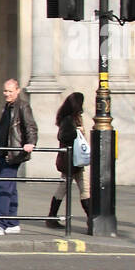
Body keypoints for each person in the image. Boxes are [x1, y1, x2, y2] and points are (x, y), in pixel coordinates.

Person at [0, 79, 37, 235]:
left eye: (10, 91)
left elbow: (30, 126)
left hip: (13, 152)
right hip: (3, 151)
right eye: (5, 91)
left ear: (17, 90)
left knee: (4, 186)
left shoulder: (23, 106)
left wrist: (31, 143)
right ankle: (12, 222)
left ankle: (1, 223)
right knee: (11, 187)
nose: (7, 94)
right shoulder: (8, 106)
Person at [45, 91, 92, 231]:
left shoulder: (72, 117)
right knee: (81, 188)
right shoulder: (69, 119)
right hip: (72, 160)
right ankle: (92, 220)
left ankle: (52, 217)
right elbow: (63, 136)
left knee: (78, 188)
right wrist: (78, 131)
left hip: (74, 160)